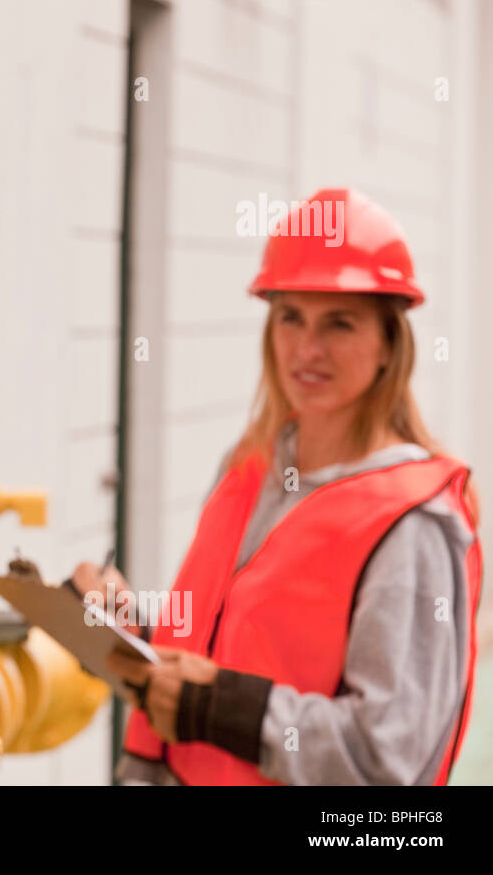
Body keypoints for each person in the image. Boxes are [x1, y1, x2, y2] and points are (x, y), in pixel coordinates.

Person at [77, 188, 482, 785]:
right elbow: (228, 640)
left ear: (389, 345)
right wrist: (130, 629)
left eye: (339, 324)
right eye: (291, 317)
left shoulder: (412, 523)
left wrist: (219, 707)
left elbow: (386, 756)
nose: (307, 349)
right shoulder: (252, 466)